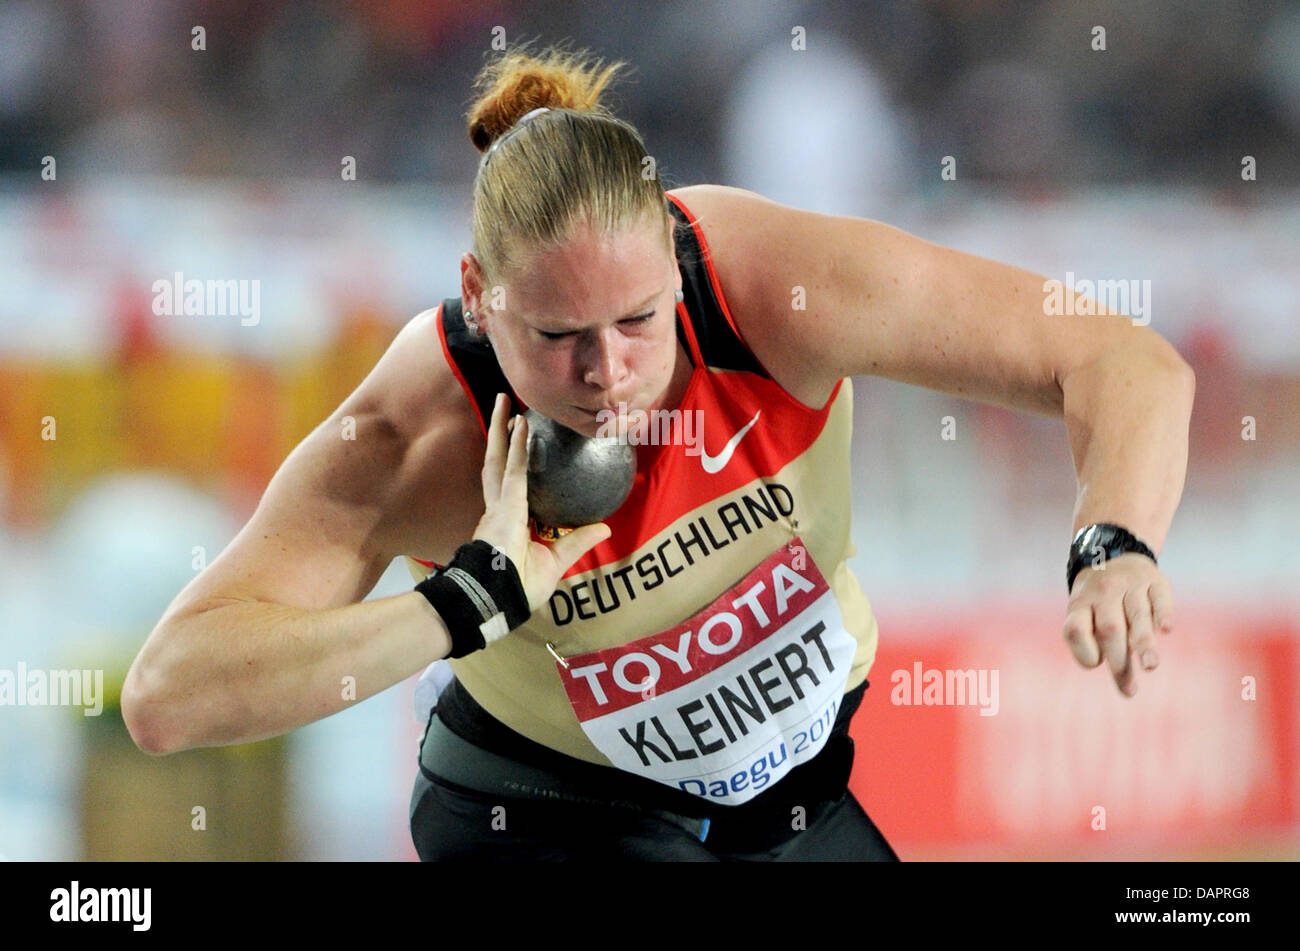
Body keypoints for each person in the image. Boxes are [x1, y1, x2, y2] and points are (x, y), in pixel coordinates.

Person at [121, 44, 1195, 862]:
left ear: (677, 267)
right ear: (477, 297)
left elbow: (1122, 361)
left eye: (637, 321)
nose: (607, 374)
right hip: (543, 816)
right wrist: (465, 603)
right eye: (555, 338)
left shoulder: (777, 290)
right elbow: (169, 696)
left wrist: (1113, 541)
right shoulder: (413, 432)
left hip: (797, 799)